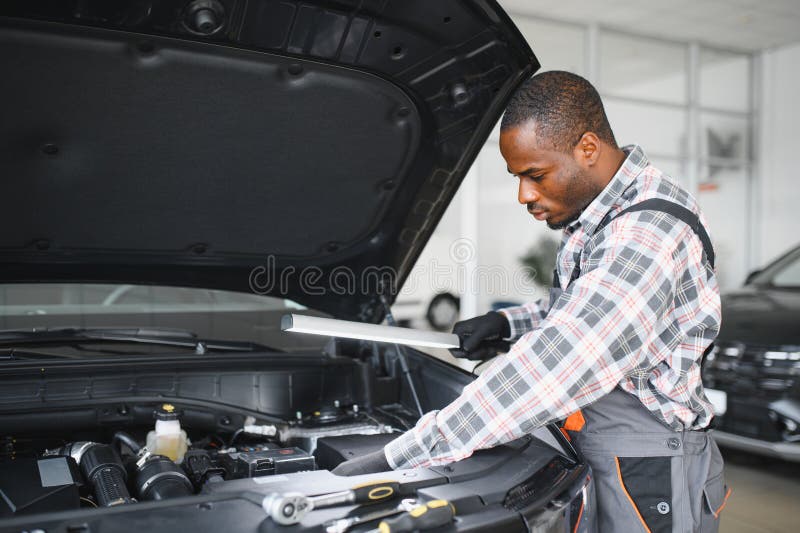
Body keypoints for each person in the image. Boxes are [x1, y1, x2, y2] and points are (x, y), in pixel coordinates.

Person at [333, 71, 729, 532]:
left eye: (535, 174)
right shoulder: (601, 217)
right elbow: (585, 307)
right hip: (601, 447)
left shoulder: (647, 231)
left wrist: (407, 452)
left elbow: (564, 361)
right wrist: (506, 324)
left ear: (587, 148)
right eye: (518, 176)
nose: (525, 194)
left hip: (650, 467)